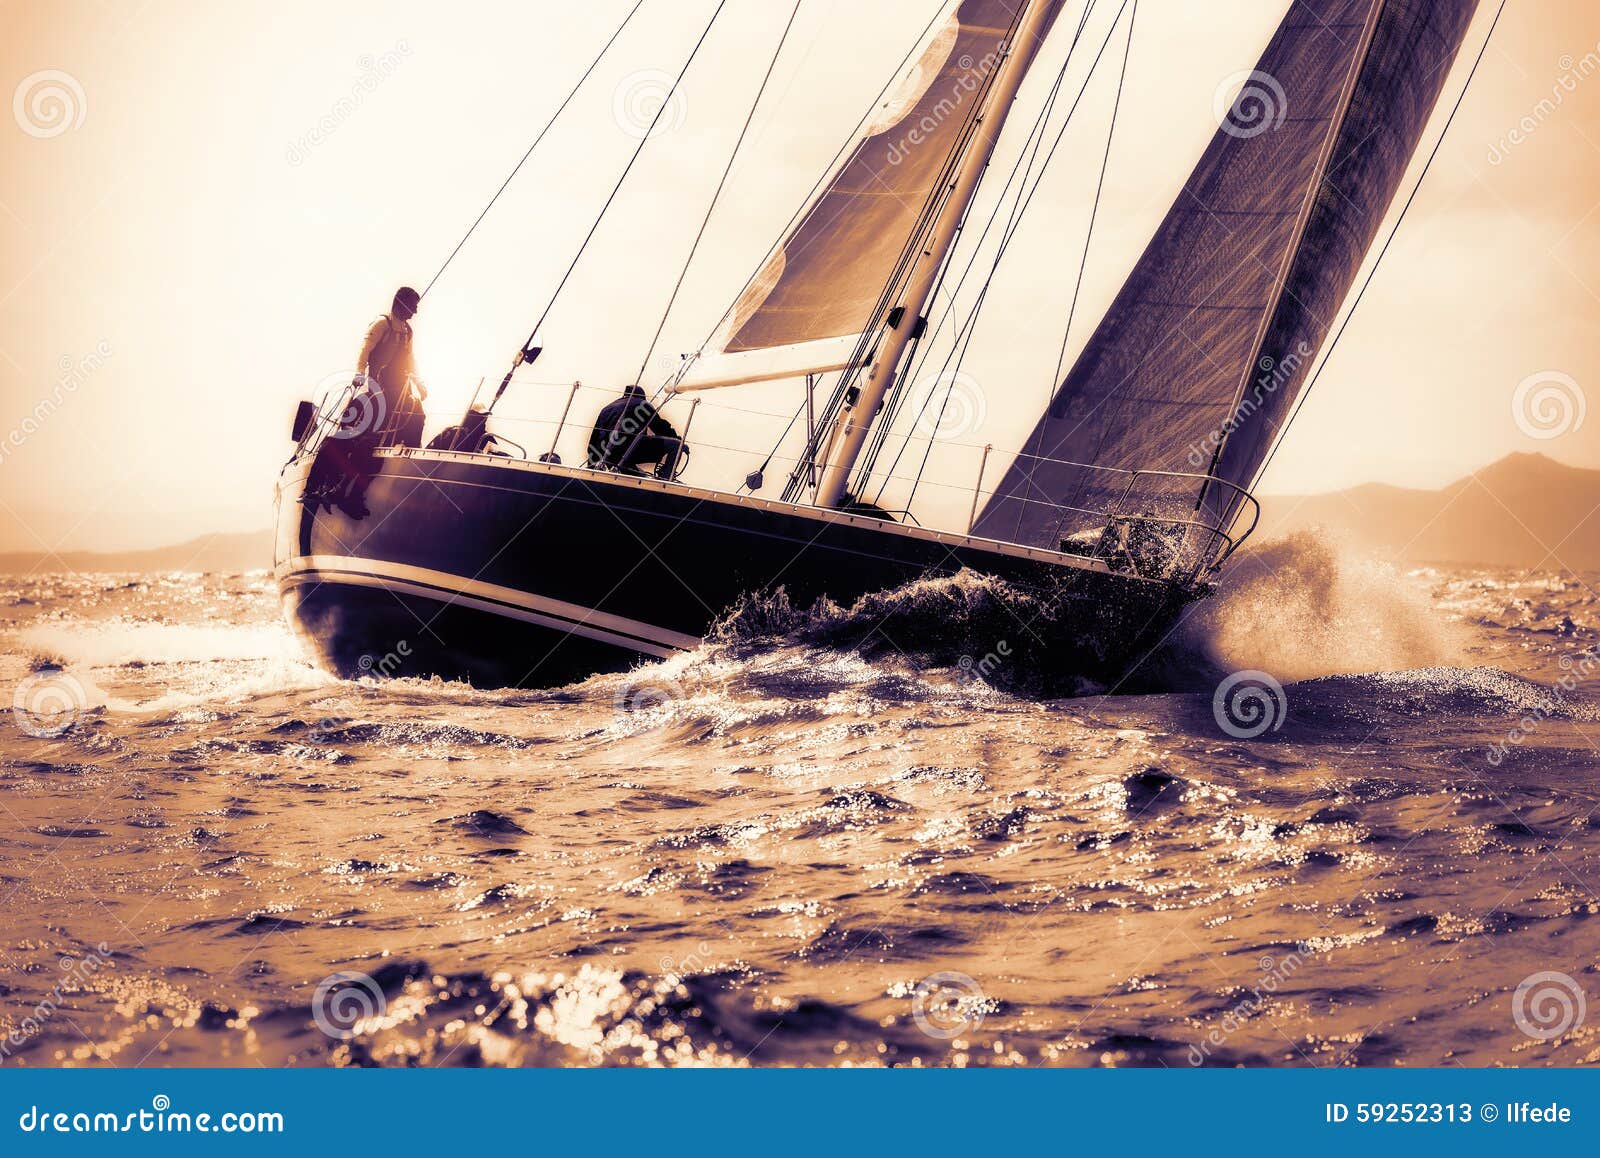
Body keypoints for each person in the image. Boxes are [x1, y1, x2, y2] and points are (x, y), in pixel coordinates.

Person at [355, 286, 428, 448]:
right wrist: (359, 374)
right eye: (413, 306)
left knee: (417, 415)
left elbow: (410, 359)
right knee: (383, 416)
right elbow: (365, 350)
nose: (415, 311)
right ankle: (370, 444)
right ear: (401, 303)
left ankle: (412, 448)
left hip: (401, 386)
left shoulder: (408, 331)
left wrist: (419, 384)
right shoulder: (382, 324)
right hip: (378, 385)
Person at [586, 384, 684, 478]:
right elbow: (661, 427)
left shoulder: (607, 408)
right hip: (629, 450)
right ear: (642, 397)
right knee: (676, 445)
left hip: (609, 456)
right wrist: (677, 440)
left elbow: (594, 440)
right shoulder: (642, 404)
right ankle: (665, 477)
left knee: (639, 475)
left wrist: (591, 468)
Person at [426, 406, 504, 455]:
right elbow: (428, 452)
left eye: (484, 416)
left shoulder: (486, 437)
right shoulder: (451, 433)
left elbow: (493, 453)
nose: (483, 418)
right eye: (479, 415)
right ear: (470, 415)